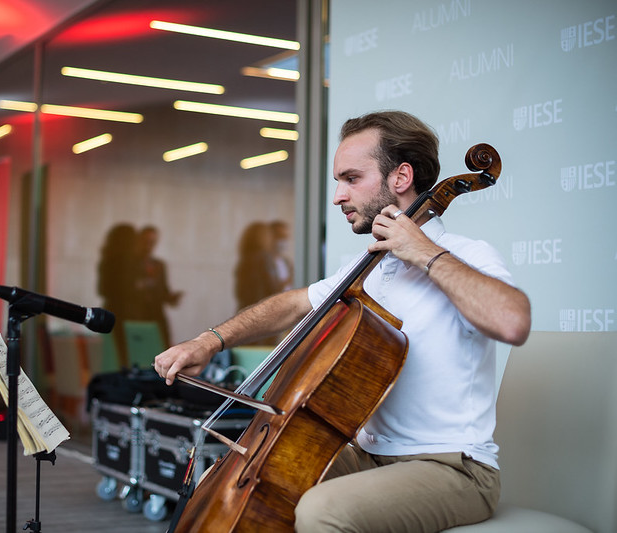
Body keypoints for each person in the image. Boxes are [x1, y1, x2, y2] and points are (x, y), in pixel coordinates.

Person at [154, 111, 532, 531]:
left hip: (453, 467)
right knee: (227, 482)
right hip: (368, 455)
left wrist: (424, 252)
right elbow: (293, 305)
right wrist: (209, 341)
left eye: (351, 179)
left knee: (322, 511)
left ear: (401, 177)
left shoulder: (466, 254)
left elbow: (513, 322)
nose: (338, 196)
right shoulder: (368, 267)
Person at [97, 223, 139, 368]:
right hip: (124, 312)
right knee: (127, 354)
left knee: (115, 354)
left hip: (112, 310)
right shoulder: (127, 262)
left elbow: (102, 289)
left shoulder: (107, 260)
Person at [134, 225, 183, 348]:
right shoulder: (130, 265)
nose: (148, 245)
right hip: (137, 317)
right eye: (146, 241)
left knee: (161, 349)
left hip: (157, 317)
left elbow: (164, 292)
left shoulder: (159, 265)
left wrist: (172, 298)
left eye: (152, 242)